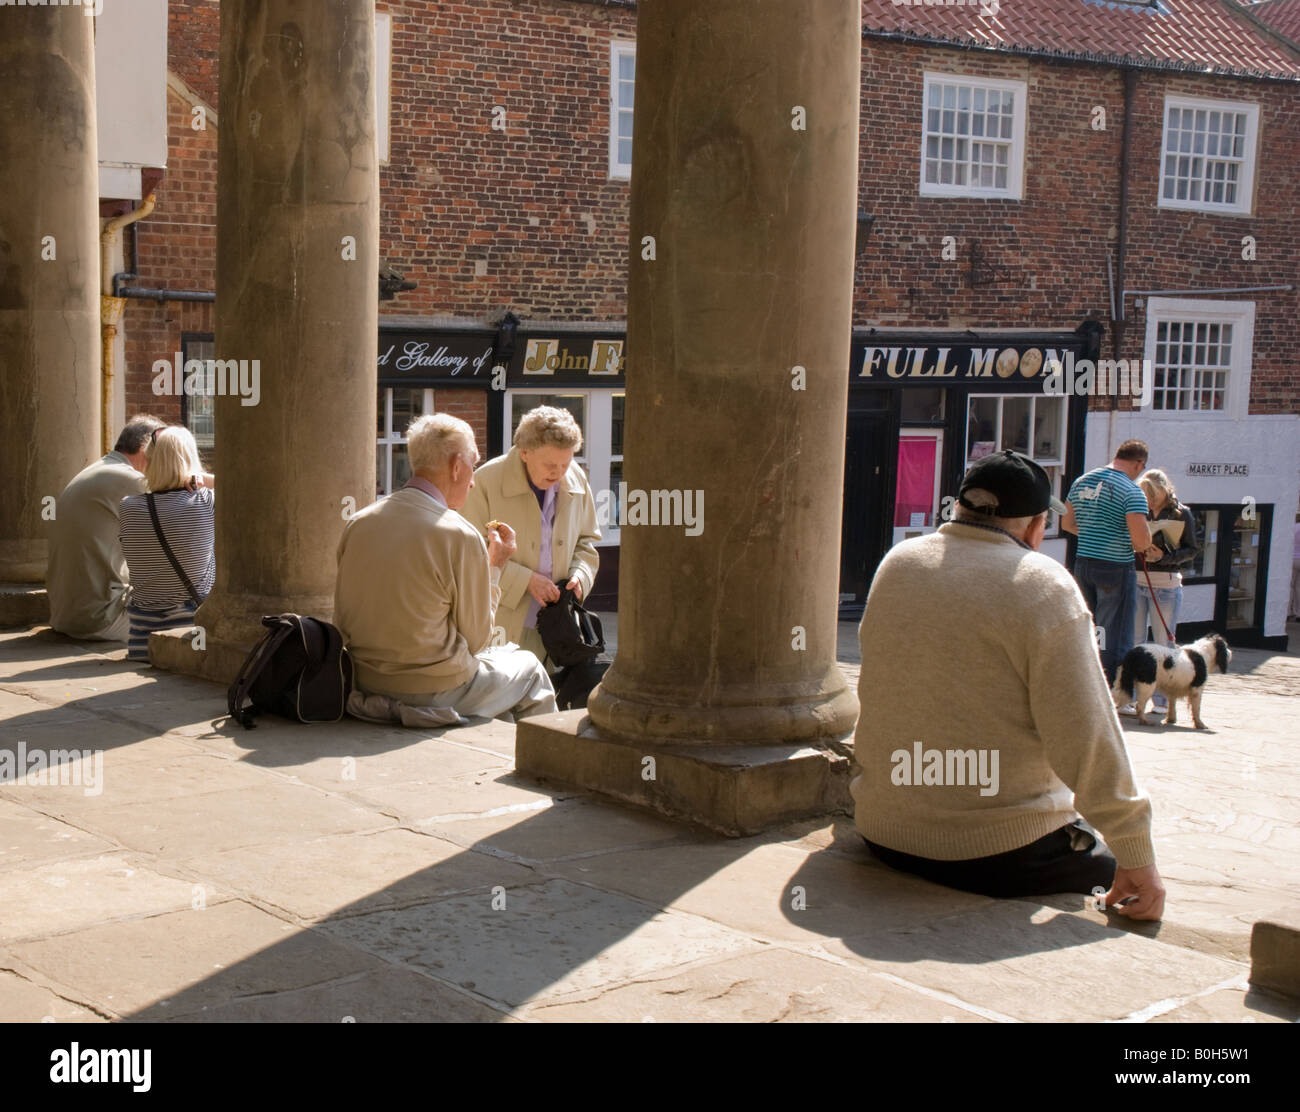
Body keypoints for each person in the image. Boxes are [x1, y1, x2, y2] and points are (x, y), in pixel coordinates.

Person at [851, 450, 1165, 918]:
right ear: (1036, 526)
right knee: (1105, 864)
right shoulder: (1043, 585)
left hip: (883, 833)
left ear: (958, 508)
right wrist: (1137, 854)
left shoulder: (898, 562)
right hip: (998, 854)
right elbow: (1087, 735)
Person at [334, 413, 556, 725]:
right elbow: (477, 640)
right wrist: (495, 566)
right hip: (435, 689)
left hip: (365, 683)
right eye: (473, 465)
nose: (474, 479)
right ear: (456, 466)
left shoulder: (359, 522)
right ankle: (544, 767)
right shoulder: (460, 535)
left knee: (502, 699)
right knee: (529, 668)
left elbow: (343, 617)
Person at [460, 405, 600, 668]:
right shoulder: (485, 481)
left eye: (566, 463)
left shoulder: (576, 477)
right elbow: (467, 552)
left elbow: (586, 542)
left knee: (554, 704)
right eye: (550, 464)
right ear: (524, 452)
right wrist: (525, 581)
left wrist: (581, 575)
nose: (559, 473)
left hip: (562, 623)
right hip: (502, 622)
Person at [46, 416, 165, 642]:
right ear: (146, 447)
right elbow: (187, 507)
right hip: (100, 619)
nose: (166, 461)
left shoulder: (98, 471)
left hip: (66, 616)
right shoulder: (129, 479)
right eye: (165, 452)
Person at [118, 426, 215, 662]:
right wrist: (202, 479)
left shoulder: (128, 507)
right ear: (191, 460)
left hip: (142, 643)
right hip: (192, 638)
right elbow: (244, 489)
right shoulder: (205, 501)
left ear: (150, 461)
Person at [1061, 439, 1152, 687]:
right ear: (1139, 463)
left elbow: (1067, 524)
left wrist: (1094, 532)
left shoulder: (1082, 481)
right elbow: (1141, 541)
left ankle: (1082, 682)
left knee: (1088, 627)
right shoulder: (1132, 491)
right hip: (1115, 567)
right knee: (1114, 633)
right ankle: (1111, 689)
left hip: (1084, 563)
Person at [1133, 469, 1199, 647]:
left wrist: (1163, 557)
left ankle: (1163, 676)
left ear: (1165, 489)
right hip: (1137, 580)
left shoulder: (1182, 513)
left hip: (1165, 584)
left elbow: (1192, 549)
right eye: (1146, 494)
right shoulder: (1138, 511)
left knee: (1163, 642)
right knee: (1134, 641)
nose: (1150, 499)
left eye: (1153, 493)